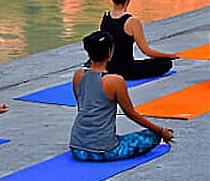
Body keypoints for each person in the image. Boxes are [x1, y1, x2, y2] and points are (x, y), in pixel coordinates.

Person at [70, 31, 174, 161]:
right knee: (151, 136)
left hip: (77, 147)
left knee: (118, 138)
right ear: (110, 53)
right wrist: (160, 131)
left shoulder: (78, 75)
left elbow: (82, 107)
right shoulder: (114, 81)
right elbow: (131, 113)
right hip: (104, 151)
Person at [100, 0, 178, 80]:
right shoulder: (132, 21)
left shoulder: (105, 18)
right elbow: (146, 51)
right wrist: (168, 56)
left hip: (109, 69)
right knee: (165, 63)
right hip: (127, 70)